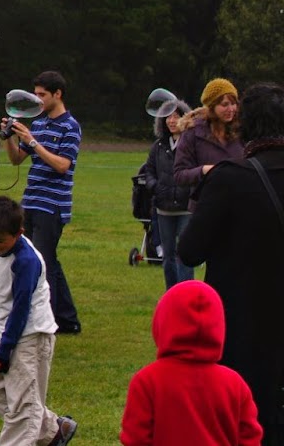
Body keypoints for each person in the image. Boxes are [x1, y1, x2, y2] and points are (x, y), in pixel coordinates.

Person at [179, 82, 284, 445]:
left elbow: (189, 250)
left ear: (244, 123)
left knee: (244, 424)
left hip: (243, 327)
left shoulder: (230, 179)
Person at [0, 195, 77, 446]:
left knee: (22, 406)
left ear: (19, 233)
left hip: (30, 335)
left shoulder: (26, 261)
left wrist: (5, 351)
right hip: (5, 332)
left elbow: (21, 309)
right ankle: (55, 430)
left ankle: (23, 437)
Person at [120, 279, 262, 446]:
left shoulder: (146, 382)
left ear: (162, 321)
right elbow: (249, 438)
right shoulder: (235, 384)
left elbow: (135, 439)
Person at [4, 69, 82, 334]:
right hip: (31, 202)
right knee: (46, 260)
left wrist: (34, 143)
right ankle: (68, 319)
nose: (37, 100)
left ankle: (46, 321)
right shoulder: (37, 124)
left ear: (57, 94)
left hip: (53, 205)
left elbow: (62, 165)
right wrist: (9, 136)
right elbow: (16, 159)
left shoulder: (70, 127)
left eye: (42, 95)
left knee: (43, 263)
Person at [174, 78, 245, 213]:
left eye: (233, 103)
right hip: (205, 209)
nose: (231, 109)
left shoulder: (243, 131)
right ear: (212, 106)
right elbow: (179, 175)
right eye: (225, 105)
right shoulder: (192, 132)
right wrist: (204, 171)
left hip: (239, 207)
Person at [143, 109, 196, 288]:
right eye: (168, 117)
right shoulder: (158, 146)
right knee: (168, 256)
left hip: (185, 209)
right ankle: (171, 295)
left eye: (176, 116)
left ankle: (185, 294)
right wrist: (155, 187)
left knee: (185, 254)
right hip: (163, 209)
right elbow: (148, 171)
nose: (172, 121)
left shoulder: (192, 145)